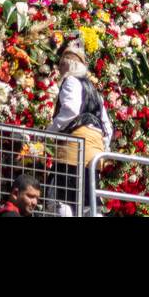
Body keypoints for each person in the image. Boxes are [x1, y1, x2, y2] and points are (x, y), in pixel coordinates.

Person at [48, 40, 114, 216]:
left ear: (66, 65)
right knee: (89, 202)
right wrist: (103, 149)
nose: (59, 71)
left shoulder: (70, 81)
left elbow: (70, 110)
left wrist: (50, 131)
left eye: (61, 66)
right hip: (95, 153)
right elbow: (107, 127)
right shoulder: (94, 91)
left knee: (60, 197)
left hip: (73, 150)